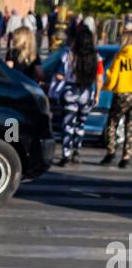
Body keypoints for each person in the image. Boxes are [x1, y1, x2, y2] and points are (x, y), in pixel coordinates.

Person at [52, 23, 103, 165]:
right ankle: (76, 150)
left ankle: (66, 154)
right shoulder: (96, 57)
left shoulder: (69, 54)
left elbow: (59, 75)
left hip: (70, 92)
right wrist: (97, 94)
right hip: (87, 92)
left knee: (68, 124)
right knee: (81, 123)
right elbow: (99, 78)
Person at [101, 33, 132, 167]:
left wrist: (107, 87)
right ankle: (126, 155)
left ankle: (111, 151)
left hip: (122, 92)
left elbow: (112, 77)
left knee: (113, 122)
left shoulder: (120, 56)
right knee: (130, 126)